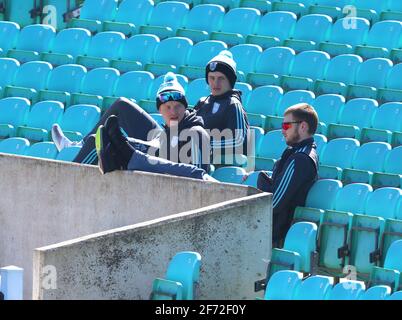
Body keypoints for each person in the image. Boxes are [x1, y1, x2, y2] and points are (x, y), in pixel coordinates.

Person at [51, 50, 249, 167]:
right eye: (212, 78)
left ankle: (74, 170)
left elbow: (241, 142)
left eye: (221, 78)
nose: (215, 83)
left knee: (116, 145)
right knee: (121, 107)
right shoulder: (203, 101)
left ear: (231, 80)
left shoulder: (233, 105)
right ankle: (77, 148)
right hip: (165, 139)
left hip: (182, 152)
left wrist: (193, 143)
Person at [96, 73, 214, 181]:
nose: (173, 112)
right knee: (103, 141)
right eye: (168, 107)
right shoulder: (164, 136)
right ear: (159, 110)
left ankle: (128, 157)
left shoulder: (196, 133)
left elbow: (199, 180)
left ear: (185, 108)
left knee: (122, 150)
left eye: (178, 106)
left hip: (187, 194)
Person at [254, 103, 319, 247]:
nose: (282, 131)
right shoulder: (296, 154)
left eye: (286, 126)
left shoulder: (300, 159)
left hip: (277, 236)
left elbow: (274, 202)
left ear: (303, 126)